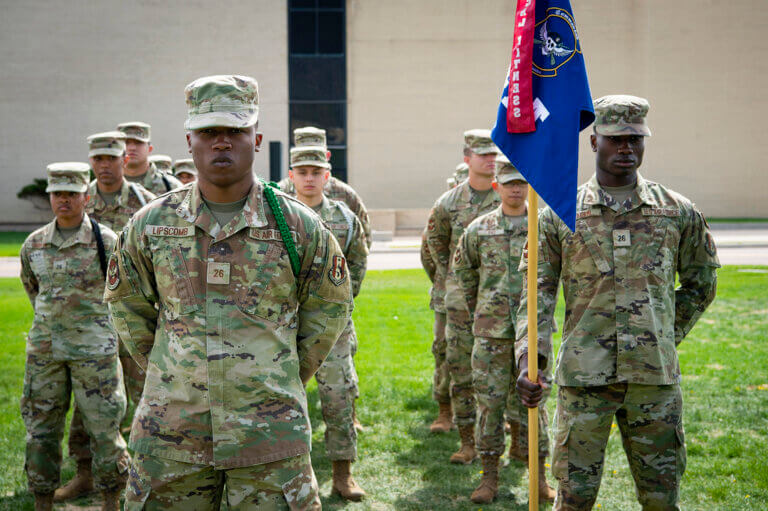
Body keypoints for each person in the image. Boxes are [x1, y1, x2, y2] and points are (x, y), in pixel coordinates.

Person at [106, 74, 352, 510]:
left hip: (269, 437)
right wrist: (173, 370)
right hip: (172, 435)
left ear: (256, 139)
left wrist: (275, 375)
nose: (221, 142)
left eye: (235, 130)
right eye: (208, 131)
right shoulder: (151, 224)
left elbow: (327, 311)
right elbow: (127, 306)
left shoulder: (297, 225)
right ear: (190, 141)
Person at [516, 95, 720, 510]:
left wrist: (662, 334)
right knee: (573, 499)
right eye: (616, 139)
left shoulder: (676, 211)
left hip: (653, 382)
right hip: (584, 379)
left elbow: (702, 282)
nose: (627, 148)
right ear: (594, 142)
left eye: (635, 139)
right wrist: (530, 358)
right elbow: (537, 293)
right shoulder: (560, 213)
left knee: (661, 498)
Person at [19, 162, 130, 511]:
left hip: (95, 353)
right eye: (57, 194)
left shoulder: (107, 241)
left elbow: (123, 292)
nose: (63, 200)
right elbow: (32, 288)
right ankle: (42, 500)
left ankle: (111, 498)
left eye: (71, 193)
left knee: (105, 428)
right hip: (45, 352)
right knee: (41, 430)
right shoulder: (34, 243)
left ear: (86, 197)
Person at [54, 132, 156, 502]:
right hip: (91, 324)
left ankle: (145, 473)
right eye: (98, 158)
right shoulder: (81, 202)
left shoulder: (145, 203)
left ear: (124, 160)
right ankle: (85, 473)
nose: (105, 165)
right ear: (91, 161)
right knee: (88, 402)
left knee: (146, 398)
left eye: (111, 157)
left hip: (136, 316)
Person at [452, 155, 555, 503]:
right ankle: (489, 477)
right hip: (491, 335)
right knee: (490, 406)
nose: (516, 190)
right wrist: (481, 313)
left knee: (535, 405)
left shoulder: (544, 227)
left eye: (522, 183)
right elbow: (464, 274)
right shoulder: (478, 229)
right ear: (496, 186)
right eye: (509, 184)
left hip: (533, 334)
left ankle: (539, 478)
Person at [289, 145, 368, 501]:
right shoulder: (277, 214)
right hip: (285, 326)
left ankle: (342, 474)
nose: (309, 178)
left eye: (315, 172)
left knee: (338, 396)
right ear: (291, 175)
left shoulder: (344, 218)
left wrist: (340, 305)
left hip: (333, 327)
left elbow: (357, 264)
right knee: (283, 401)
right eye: (302, 172)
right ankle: (290, 472)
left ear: (327, 176)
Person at [426, 129, 500, 462]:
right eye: (483, 154)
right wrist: (453, 278)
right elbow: (436, 243)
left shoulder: (508, 196)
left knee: (499, 371)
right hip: (459, 303)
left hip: (499, 300)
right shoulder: (449, 202)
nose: (490, 160)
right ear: (467, 158)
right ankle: (468, 441)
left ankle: (500, 435)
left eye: (493, 154)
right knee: (459, 368)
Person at [277, 127, 372, 248]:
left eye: (315, 153)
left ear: (327, 155)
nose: (309, 158)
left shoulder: (346, 194)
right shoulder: (280, 193)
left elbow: (364, 239)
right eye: (304, 153)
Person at [117, 121, 183, 194]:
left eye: (138, 142)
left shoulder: (172, 187)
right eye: (126, 143)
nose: (132, 148)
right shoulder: (108, 184)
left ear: (149, 148)